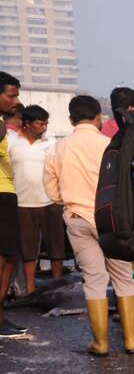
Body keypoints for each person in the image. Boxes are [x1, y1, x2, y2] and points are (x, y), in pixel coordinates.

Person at [43, 95, 134, 355]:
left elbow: (51, 188)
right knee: (123, 277)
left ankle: (100, 343)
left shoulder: (59, 147)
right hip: (111, 219)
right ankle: (131, 341)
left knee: (94, 280)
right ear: (99, 117)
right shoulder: (108, 143)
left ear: (72, 119)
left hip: (77, 217)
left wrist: (69, 201)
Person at [11, 105, 67, 299]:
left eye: (46, 123)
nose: (44, 127)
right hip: (22, 202)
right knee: (28, 248)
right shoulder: (11, 142)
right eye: (40, 123)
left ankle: (57, 285)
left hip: (49, 200)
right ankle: (30, 289)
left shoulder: (51, 142)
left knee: (56, 245)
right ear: (26, 123)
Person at [0, 71, 23, 337]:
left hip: (7, 193)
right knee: (5, 258)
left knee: (8, 258)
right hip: (2, 194)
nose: (15, 101)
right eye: (11, 95)